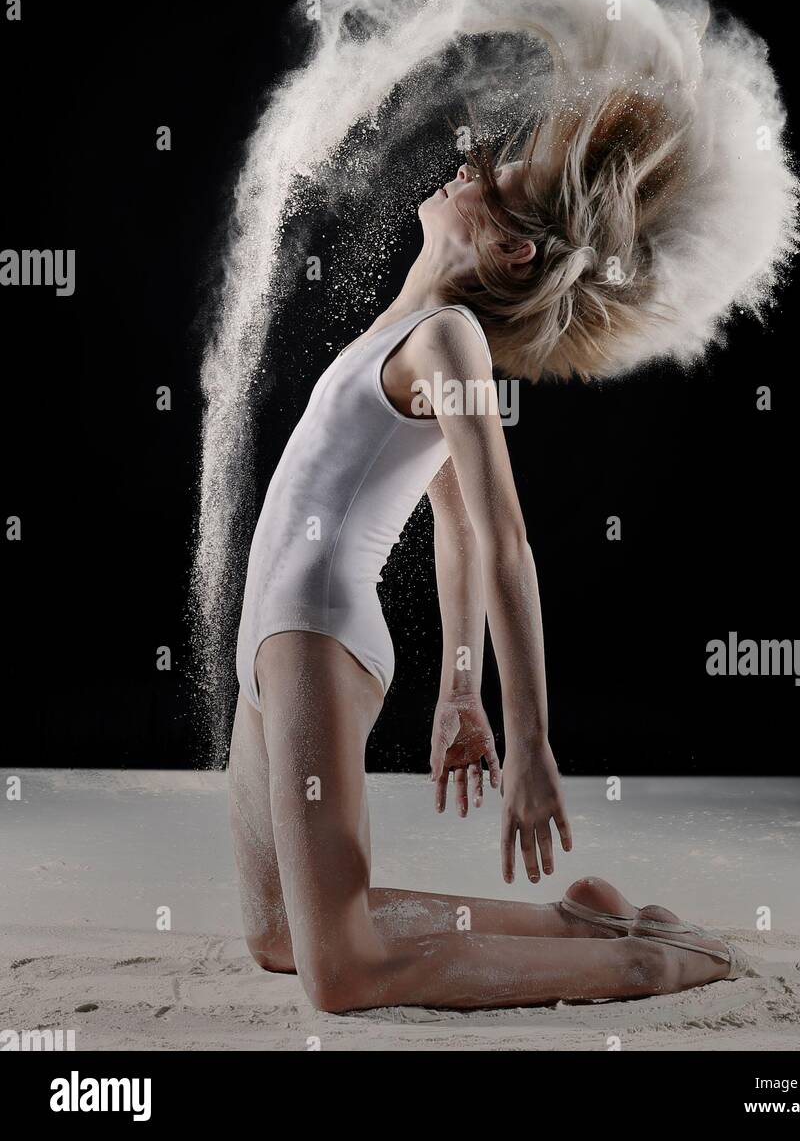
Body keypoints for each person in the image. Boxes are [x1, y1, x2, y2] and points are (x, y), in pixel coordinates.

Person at [227, 91, 754, 1011]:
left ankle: (648, 963)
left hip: (312, 635)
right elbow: (455, 522)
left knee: (340, 976)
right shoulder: (402, 331)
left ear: (513, 250)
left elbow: (504, 531)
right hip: (269, 649)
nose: (466, 169)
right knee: (279, 936)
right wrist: (458, 690)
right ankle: (581, 924)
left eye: (490, 182)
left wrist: (530, 744)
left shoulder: (450, 337)